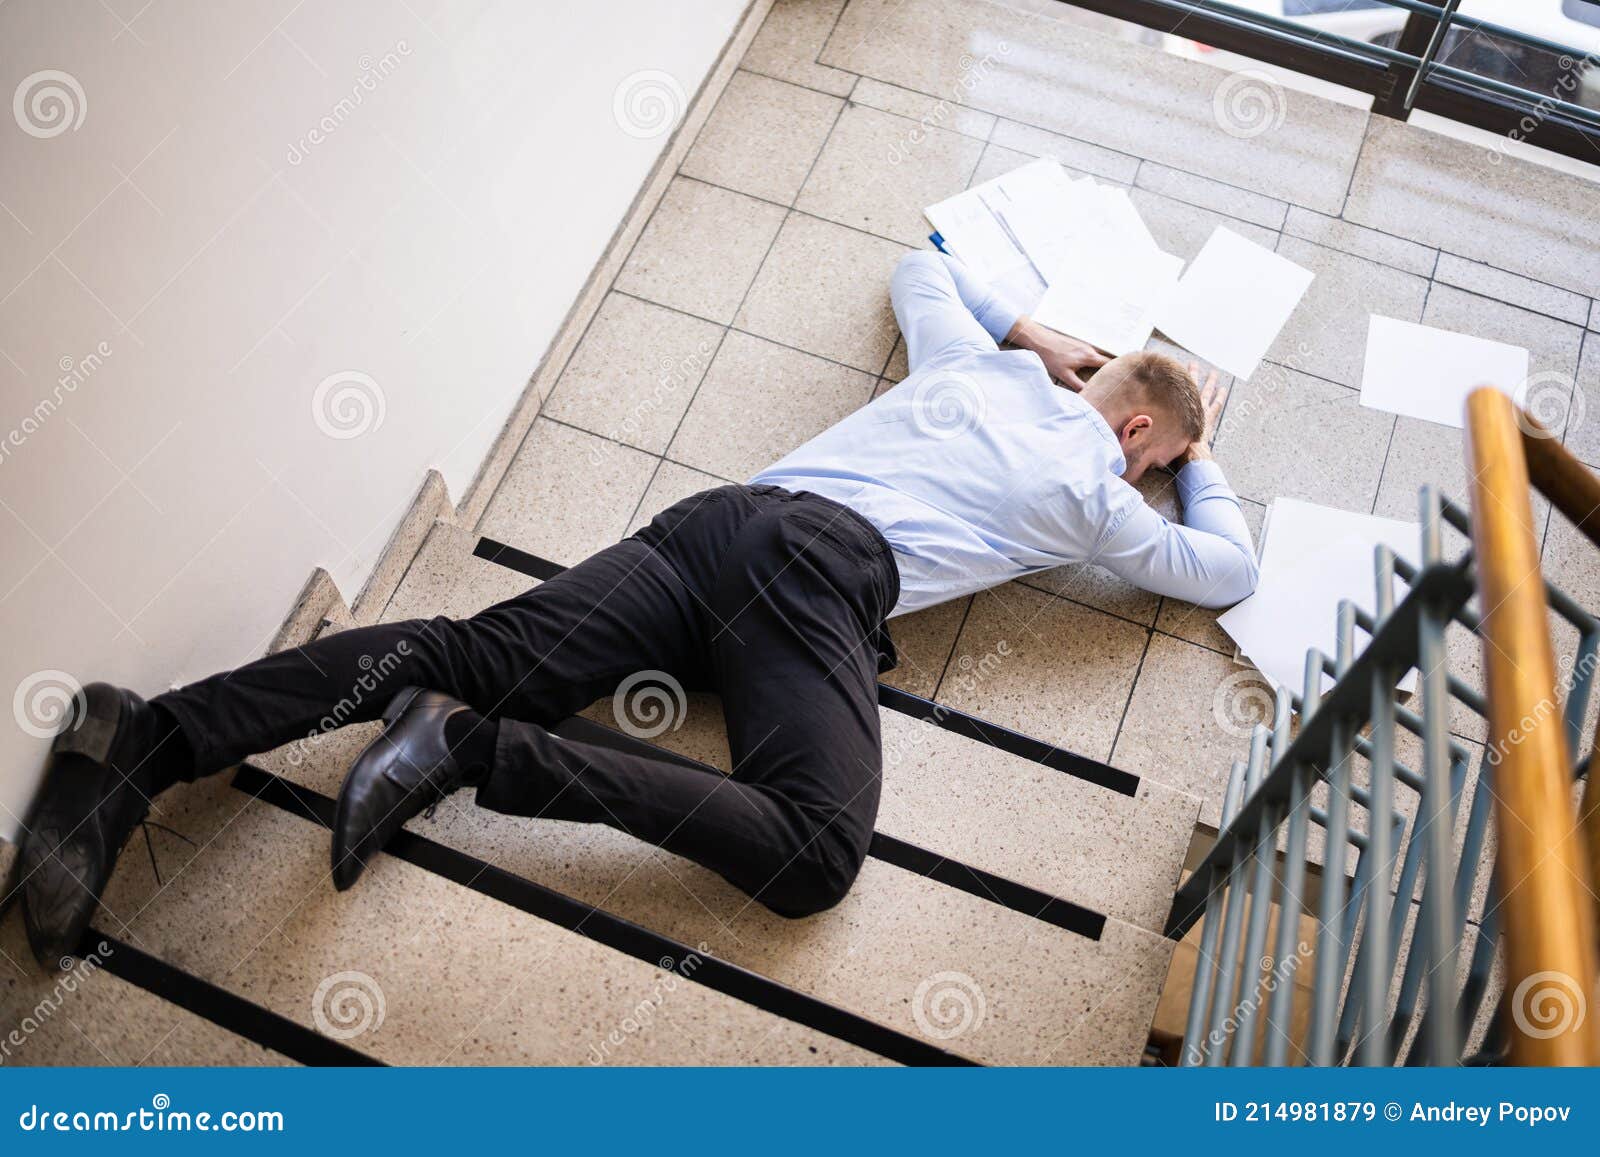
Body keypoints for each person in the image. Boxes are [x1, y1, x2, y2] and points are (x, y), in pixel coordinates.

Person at [13, 251, 1258, 966]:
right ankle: (462, 747)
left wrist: (1048, 342)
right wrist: (1183, 456)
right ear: (1138, 436)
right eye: (1151, 458)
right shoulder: (1099, 491)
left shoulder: (974, 365)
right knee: (816, 853)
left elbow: (920, 266)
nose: (1142, 477)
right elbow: (1226, 570)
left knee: (471, 648)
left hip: (716, 527)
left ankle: (147, 737)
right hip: (815, 574)